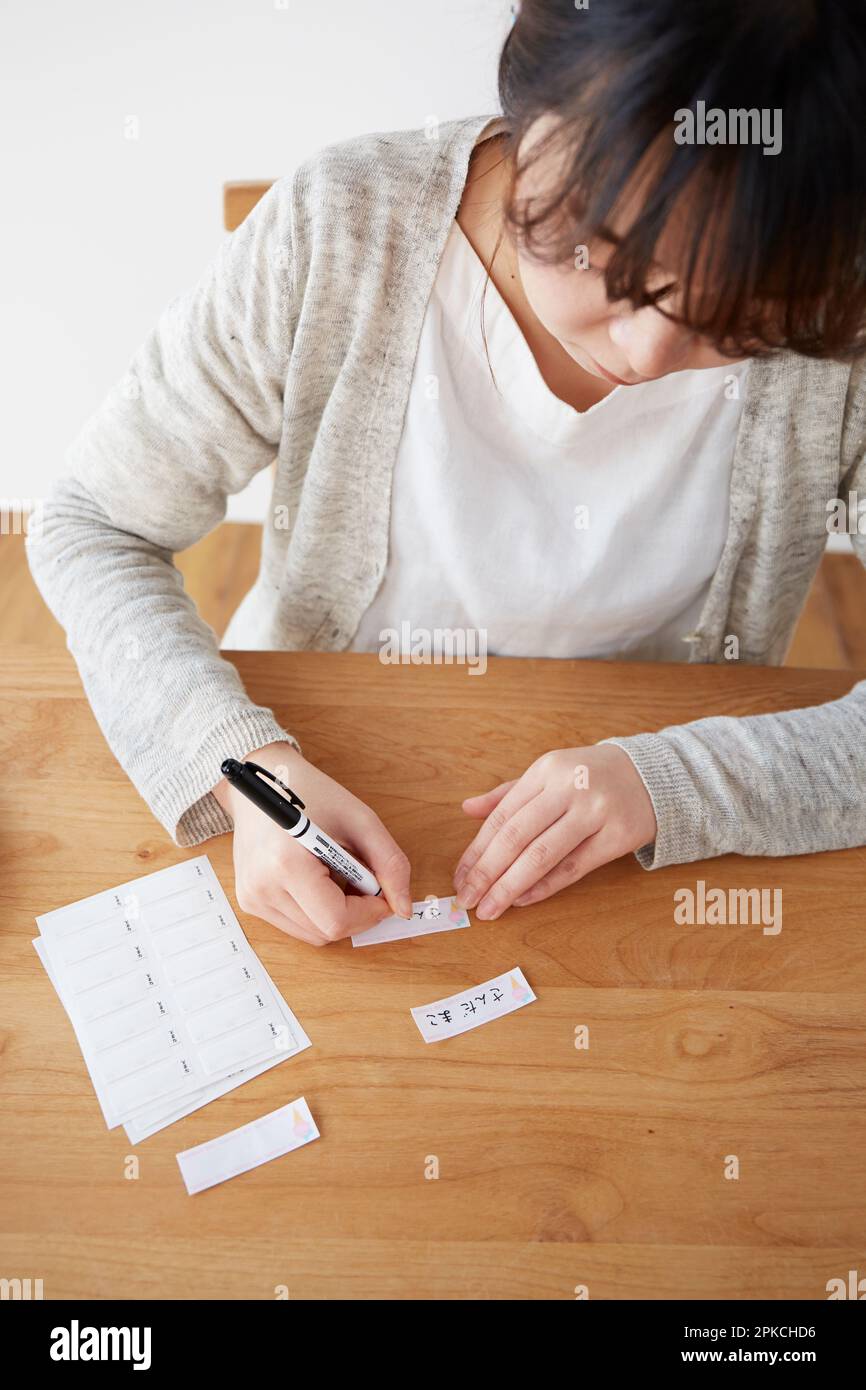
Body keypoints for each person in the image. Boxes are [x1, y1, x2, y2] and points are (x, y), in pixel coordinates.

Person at [28, 0, 866, 946]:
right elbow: (95, 523)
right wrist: (245, 766)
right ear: (536, 113)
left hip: (642, 865)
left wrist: (672, 784)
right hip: (320, 767)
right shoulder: (340, 228)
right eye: (621, 269)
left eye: (741, 320)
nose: (647, 351)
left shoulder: (842, 316)